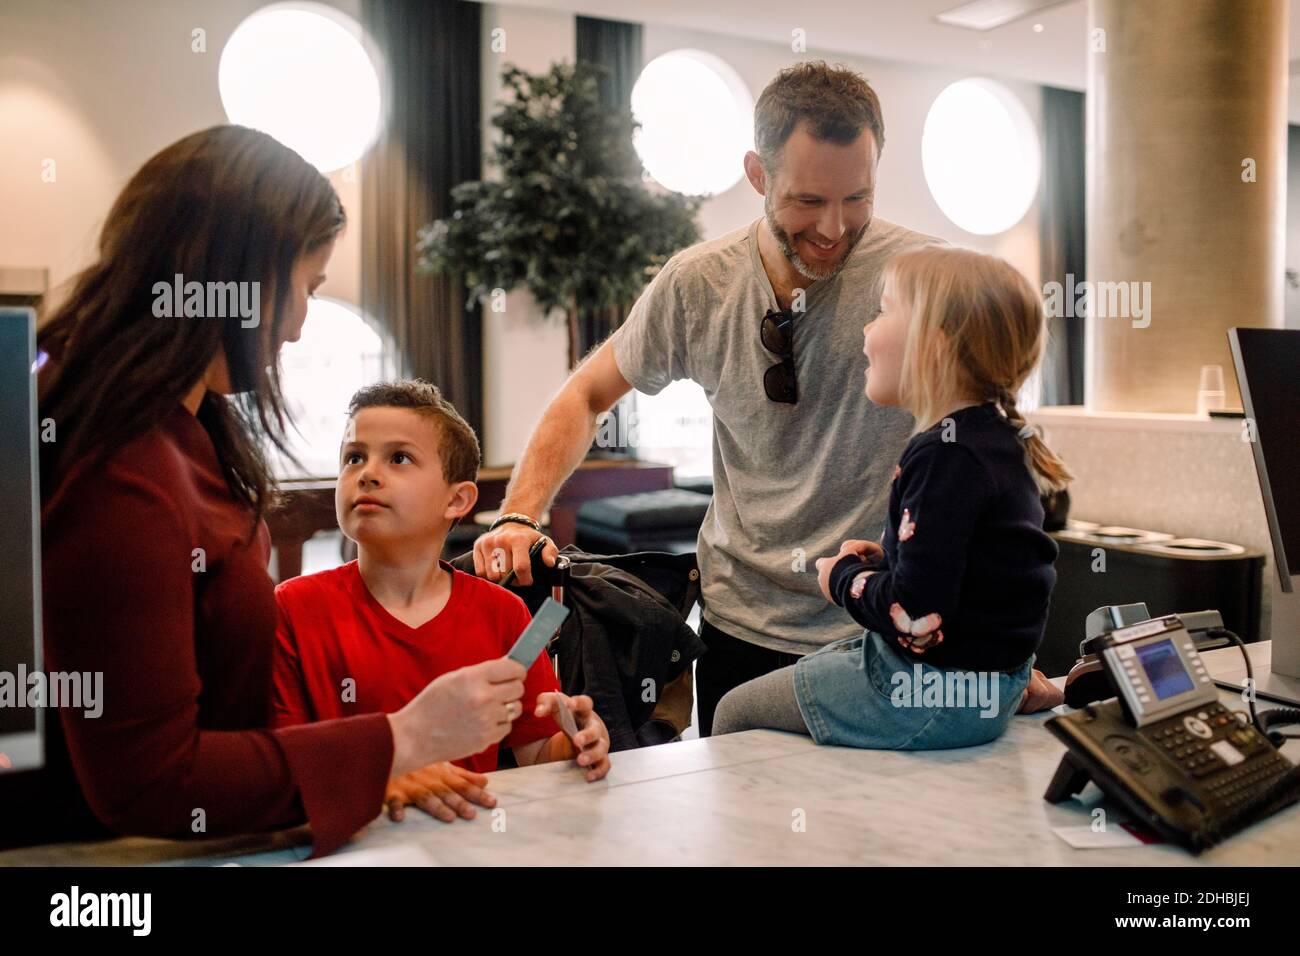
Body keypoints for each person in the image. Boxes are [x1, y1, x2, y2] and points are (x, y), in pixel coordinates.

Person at [474, 61, 1058, 734]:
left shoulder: (922, 288)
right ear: (758, 174)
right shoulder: (697, 284)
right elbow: (586, 395)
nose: (835, 228)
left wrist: (994, 661)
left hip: (890, 643)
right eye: (809, 202)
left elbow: (991, 478)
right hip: (742, 624)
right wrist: (520, 515)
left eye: (857, 198)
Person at [22, 126, 526, 857]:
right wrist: (400, 739)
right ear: (239, 273)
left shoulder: (188, 430)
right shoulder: (120, 467)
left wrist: (373, 761)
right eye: (306, 287)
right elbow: (149, 779)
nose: (295, 327)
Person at [712, 246, 1070, 747]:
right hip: (991, 683)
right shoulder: (992, 439)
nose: (866, 329)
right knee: (822, 666)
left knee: (735, 711)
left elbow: (915, 615)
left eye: (883, 311)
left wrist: (841, 579)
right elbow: (974, 563)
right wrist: (889, 558)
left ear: (934, 345)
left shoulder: (945, 455)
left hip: (929, 692)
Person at [272, 381, 611, 825]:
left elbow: (536, 753)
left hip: (467, 840)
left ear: (457, 500)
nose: (367, 473)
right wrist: (378, 776)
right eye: (354, 457)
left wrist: (577, 744)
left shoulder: (503, 613)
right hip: (349, 842)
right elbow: (279, 761)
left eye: (399, 458)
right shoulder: (292, 608)